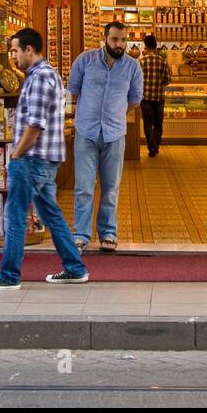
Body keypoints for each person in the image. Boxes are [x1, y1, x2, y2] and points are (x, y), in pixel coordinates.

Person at [0, 28, 88, 291]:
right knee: (51, 213)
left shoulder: (38, 79)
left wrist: (15, 155)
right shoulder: (48, 75)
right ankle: (75, 268)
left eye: (15, 50)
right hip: (45, 159)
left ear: (29, 50)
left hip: (32, 159)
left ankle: (9, 275)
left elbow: (35, 125)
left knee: (14, 215)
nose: (13, 56)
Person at [67, 21, 143, 252]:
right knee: (84, 187)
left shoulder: (133, 67)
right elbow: (74, 90)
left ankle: (108, 233)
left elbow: (134, 100)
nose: (119, 44)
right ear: (104, 39)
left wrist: (115, 114)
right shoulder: (85, 60)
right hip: (86, 133)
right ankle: (80, 234)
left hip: (115, 134)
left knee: (111, 188)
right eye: (114, 40)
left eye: (123, 40)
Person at [138, 34, 170, 158]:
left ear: (145, 46)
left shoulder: (141, 62)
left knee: (147, 123)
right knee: (158, 123)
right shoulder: (163, 62)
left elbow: (137, 80)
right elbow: (167, 80)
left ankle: (151, 146)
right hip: (159, 98)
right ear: (156, 46)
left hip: (145, 98)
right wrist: (159, 83)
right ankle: (155, 146)